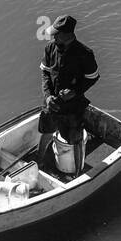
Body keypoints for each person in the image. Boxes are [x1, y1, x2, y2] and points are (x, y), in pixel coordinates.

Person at [38, 14, 100, 173]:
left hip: (73, 107)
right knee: (46, 131)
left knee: (76, 139)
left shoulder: (85, 54)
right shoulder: (50, 48)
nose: (52, 37)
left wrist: (75, 92)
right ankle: (40, 162)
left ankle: (78, 172)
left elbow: (92, 77)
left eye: (56, 34)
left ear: (66, 35)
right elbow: (45, 72)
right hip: (52, 102)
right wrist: (47, 96)